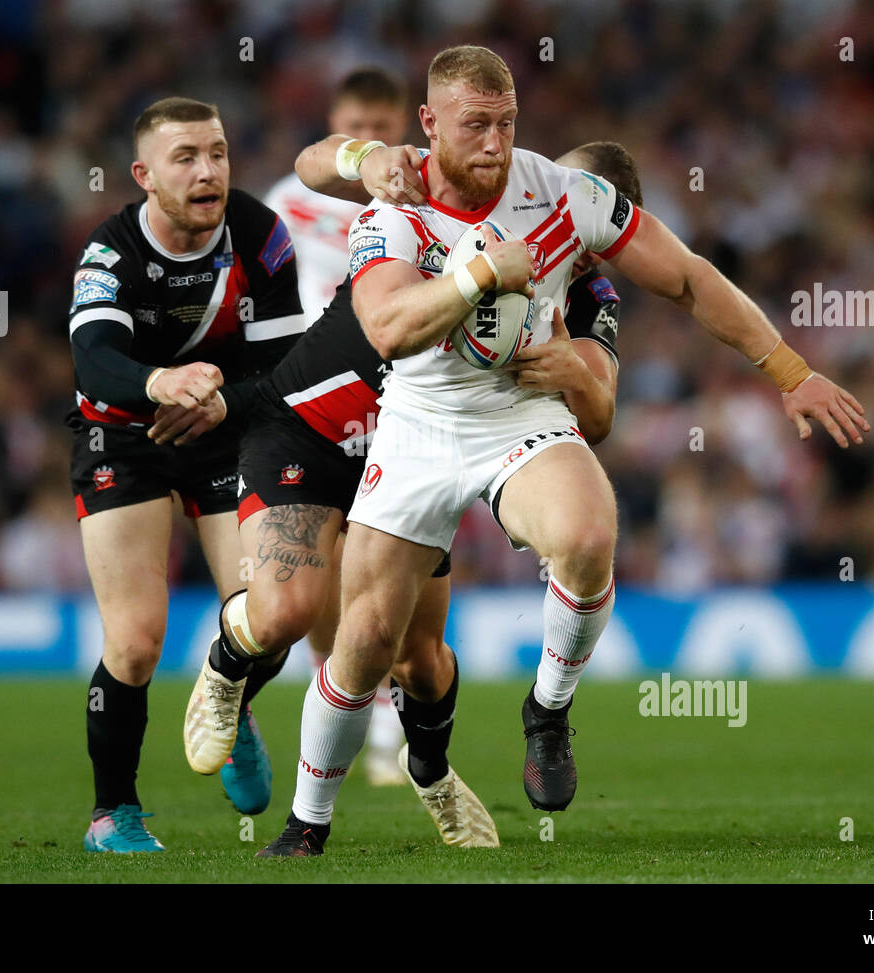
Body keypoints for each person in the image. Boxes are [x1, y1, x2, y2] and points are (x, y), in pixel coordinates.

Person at [258, 45, 869, 857]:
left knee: (586, 536)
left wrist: (788, 370)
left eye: (507, 123)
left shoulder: (563, 195)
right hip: (417, 421)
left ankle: (546, 711)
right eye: (476, 125)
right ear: (430, 124)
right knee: (365, 639)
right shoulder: (390, 205)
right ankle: (307, 824)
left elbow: (686, 277)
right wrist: (478, 272)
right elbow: (388, 328)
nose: (495, 143)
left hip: (518, 413)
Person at [181, 135, 635, 853]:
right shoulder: (449, 209)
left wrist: (574, 375)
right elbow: (309, 166)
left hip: (407, 452)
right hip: (311, 431)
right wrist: (364, 157)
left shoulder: (583, 294)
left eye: (571, 202)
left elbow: (601, 414)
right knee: (289, 612)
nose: (546, 206)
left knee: (421, 659)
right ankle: (228, 667)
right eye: (548, 189)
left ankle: (430, 771)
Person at [69, 96, 305, 852]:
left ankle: (225, 696)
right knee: (136, 640)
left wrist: (218, 405)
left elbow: (284, 370)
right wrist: (157, 385)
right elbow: (93, 359)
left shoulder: (262, 236)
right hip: (123, 433)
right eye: (186, 157)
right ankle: (115, 815)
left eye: (218, 152)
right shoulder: (110, 253)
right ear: (143, 176)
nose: (208, 171)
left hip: (221, 430)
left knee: (271, 616)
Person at [262, 66, 412, 786]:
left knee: (388, 553)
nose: (373, 141)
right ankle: (345, 686)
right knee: (322, 564)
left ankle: (385, 701)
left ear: (404, 129)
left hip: (399, 403)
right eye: (359, 127)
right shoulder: (286, 206)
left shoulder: (422, 203)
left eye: (385, 129)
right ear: (335, 123)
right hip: (311, 401)